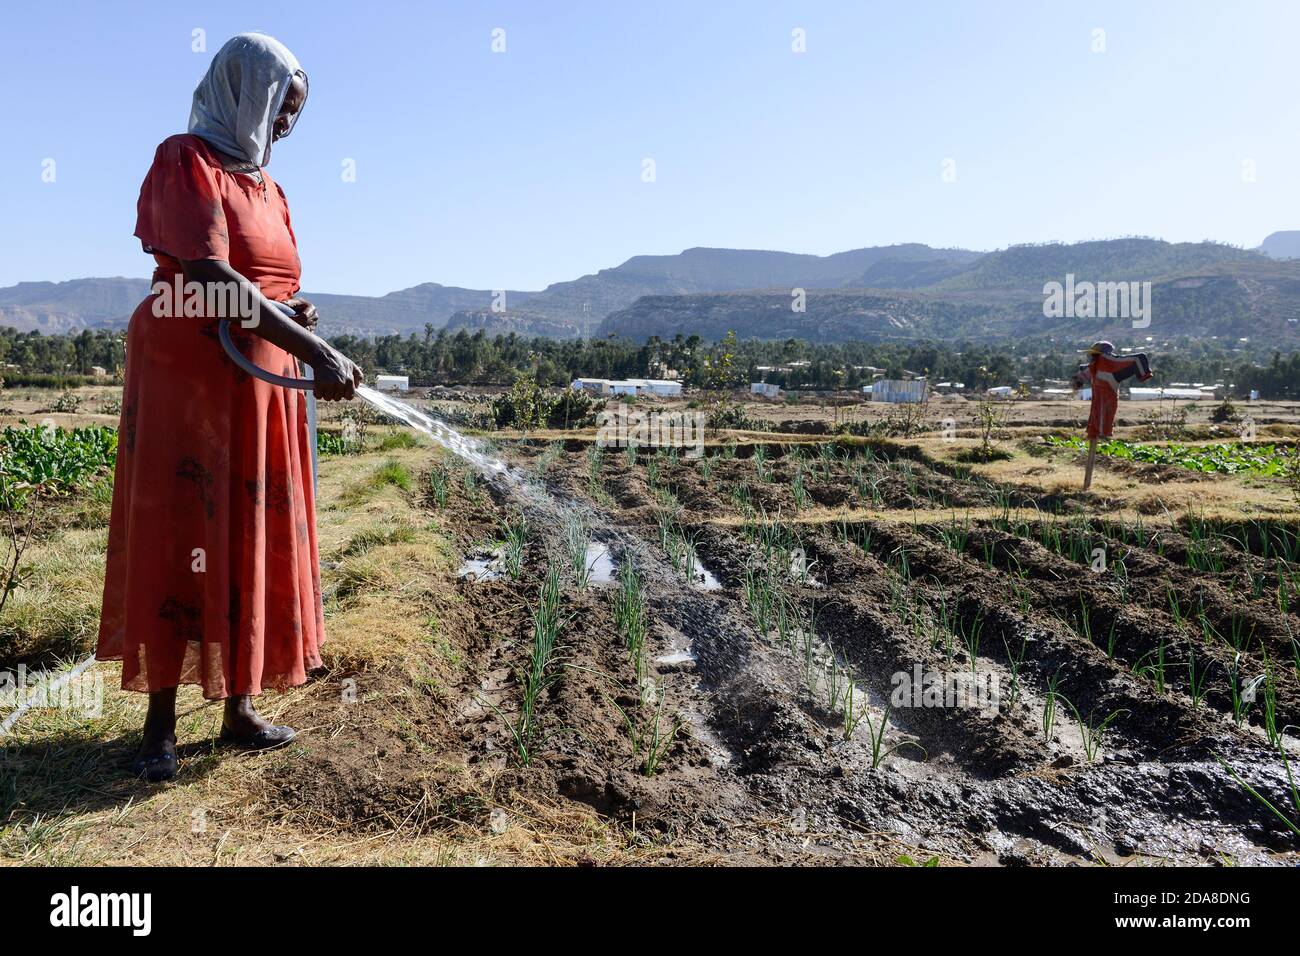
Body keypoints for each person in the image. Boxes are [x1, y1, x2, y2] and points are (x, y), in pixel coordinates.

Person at [96, 33, 363, 782]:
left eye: (295, 115)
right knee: (185, 525)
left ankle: (240, 707)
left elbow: (263, 281)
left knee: (249, 523)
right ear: (247, 92)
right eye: (282, 107)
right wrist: (316, 353)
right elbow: (210, 275)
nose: (284, 126)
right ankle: (158, 727)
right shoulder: (186, 161)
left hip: (257, 381)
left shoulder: (270, 190)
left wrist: (294, 315)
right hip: (191, 375)